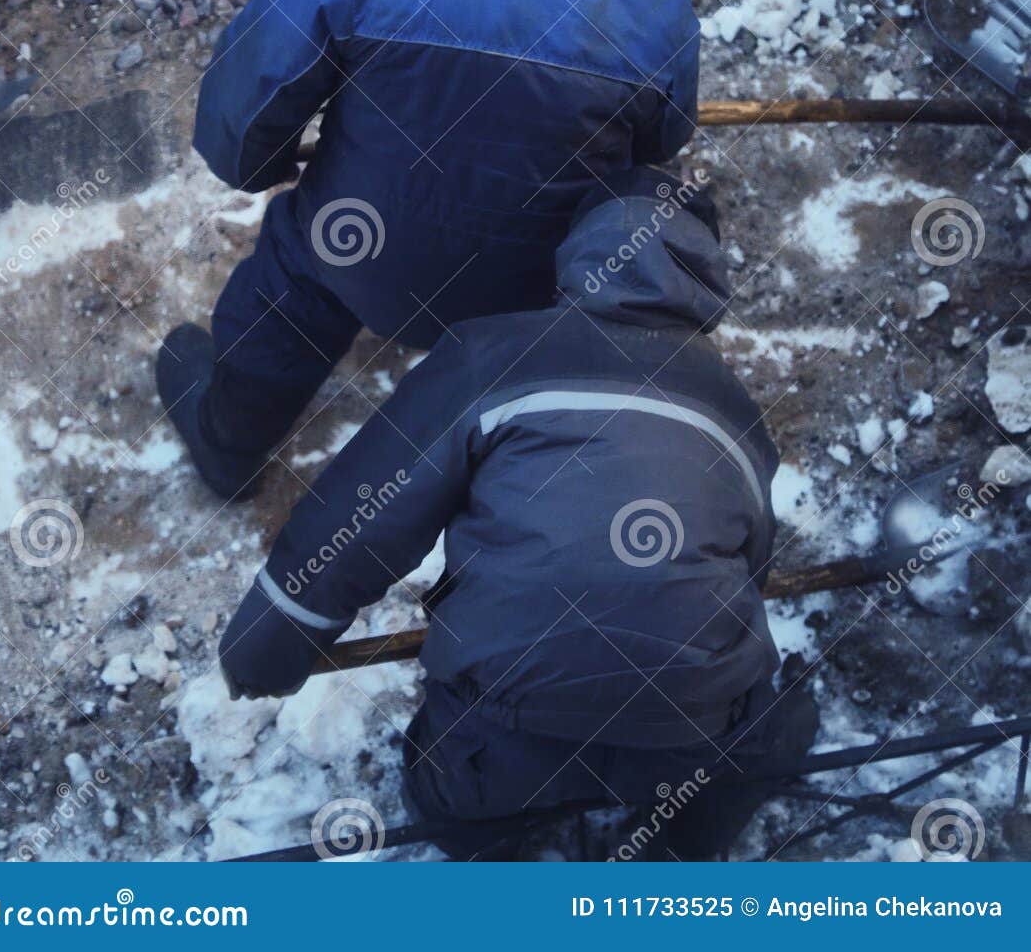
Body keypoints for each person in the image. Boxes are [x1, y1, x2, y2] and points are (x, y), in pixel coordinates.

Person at [218, 168, 817, 860]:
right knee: (750, 738)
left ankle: (490, 845)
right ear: (705, 271)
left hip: (502, 733)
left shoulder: (495, 353)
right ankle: (680, 844)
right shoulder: (734, 406)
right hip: (686, 732)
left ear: (580, 248)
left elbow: (362, 517)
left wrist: (267, 643)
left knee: (451, 808)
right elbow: (750, 570)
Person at [156, 0, 700, 503]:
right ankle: (476, 477)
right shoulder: (661, 10)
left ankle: (230, 446)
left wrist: (254, 164)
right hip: (521, 294)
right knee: (507, 345)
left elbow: (255, 84)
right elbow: (660, 145)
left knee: (293, 284)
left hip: (354, 248)